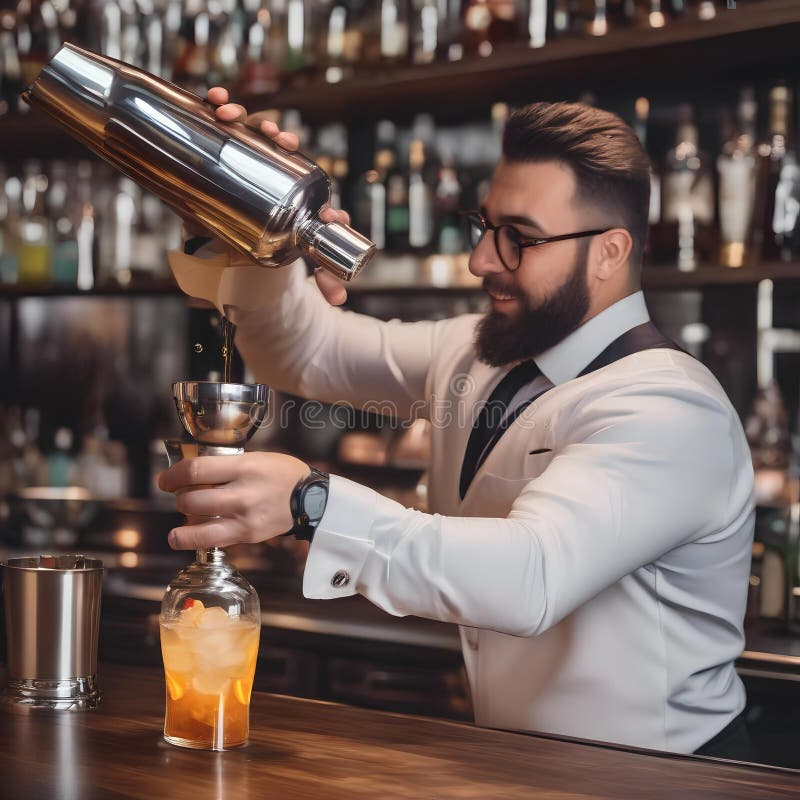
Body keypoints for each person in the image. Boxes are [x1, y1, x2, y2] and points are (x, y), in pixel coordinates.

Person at [159, 88, 756, 759]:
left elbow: (531, 575)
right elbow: (307, 353)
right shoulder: (477, 354)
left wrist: (311, 504)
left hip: (665, 779)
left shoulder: (669, 409)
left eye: (519, 239)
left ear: (610, 253)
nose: (482, 261)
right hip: (518, 768)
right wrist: (242, 215)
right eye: (485, 226)